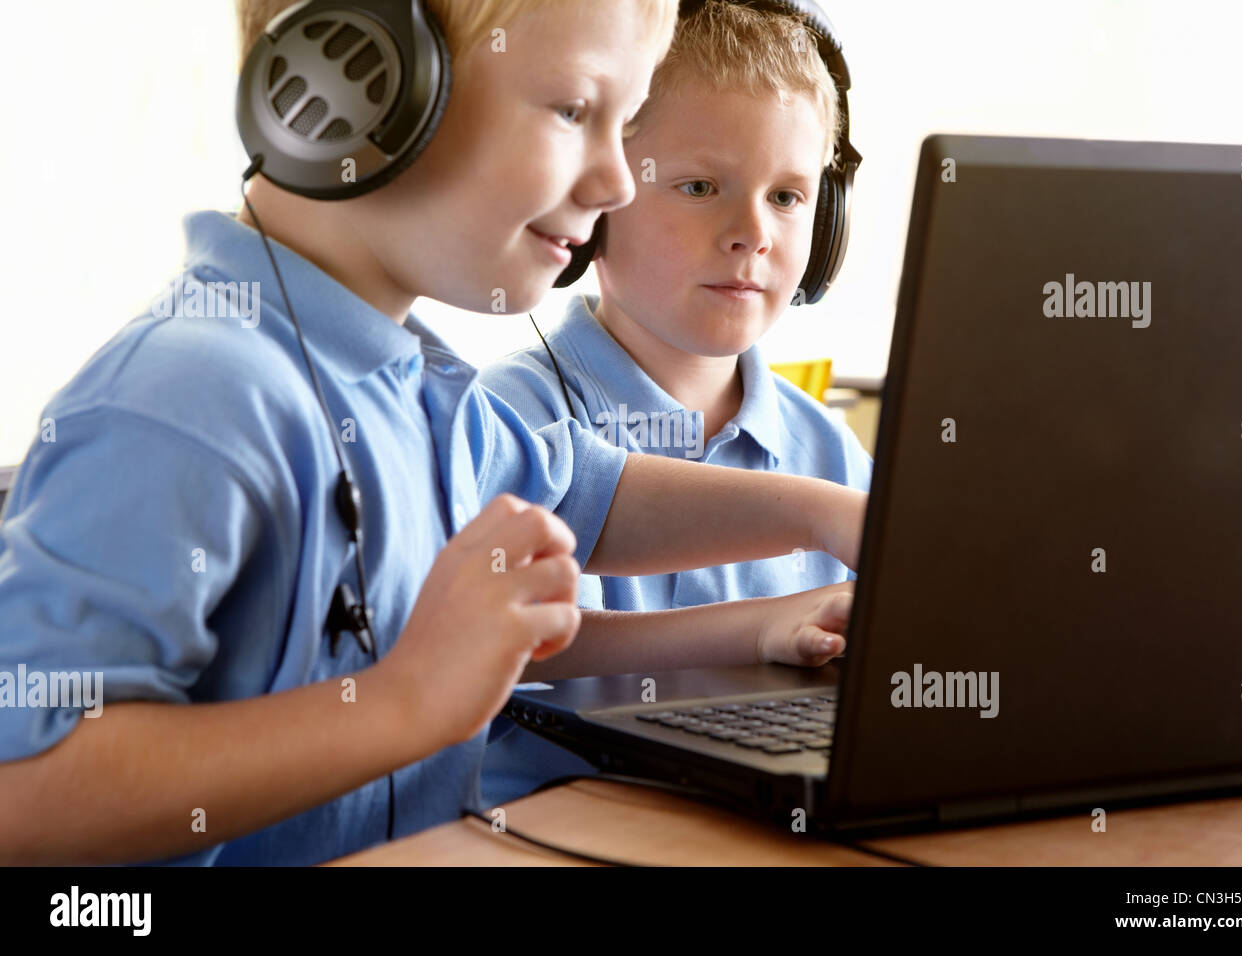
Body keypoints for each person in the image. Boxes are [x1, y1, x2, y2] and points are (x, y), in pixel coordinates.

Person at [0, 0, 863, 866]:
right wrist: (404, 702)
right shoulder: (191, 396)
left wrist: (824, 514)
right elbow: (27, 791)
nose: (616, 184)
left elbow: (596, 498)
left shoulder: (409, 382)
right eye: (575, 112)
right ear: (360, 85)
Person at [479, 0, 872, 804]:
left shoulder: (830, 453)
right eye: (700, 185)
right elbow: (515, 652)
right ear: (595, 201)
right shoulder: (514, 417)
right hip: (552, 826)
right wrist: (764, 630)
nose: (751, 233)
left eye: (789, 197)